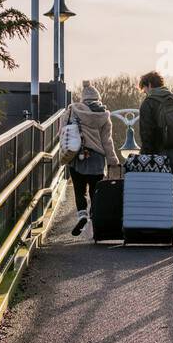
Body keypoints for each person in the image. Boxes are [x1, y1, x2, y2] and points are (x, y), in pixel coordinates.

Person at [63, 82, 121, 236]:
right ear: (98, 98)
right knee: (96, 191)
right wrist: (113, 161)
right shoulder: (104, 116)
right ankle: (95, 220)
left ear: (83, 99)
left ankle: (82, 215)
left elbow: (63, 131)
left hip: (77, 156)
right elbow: (107, 141)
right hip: (97, 159)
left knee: (79, 190)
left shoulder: (73, 110)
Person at [136, 70, 173, 202]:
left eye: (144, 89)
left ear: (149, 85)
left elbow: (147, 134)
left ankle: (164, 218)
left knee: (159, 188)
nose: (145, 92)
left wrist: (145, 155)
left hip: (159, 153)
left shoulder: (148, 103)